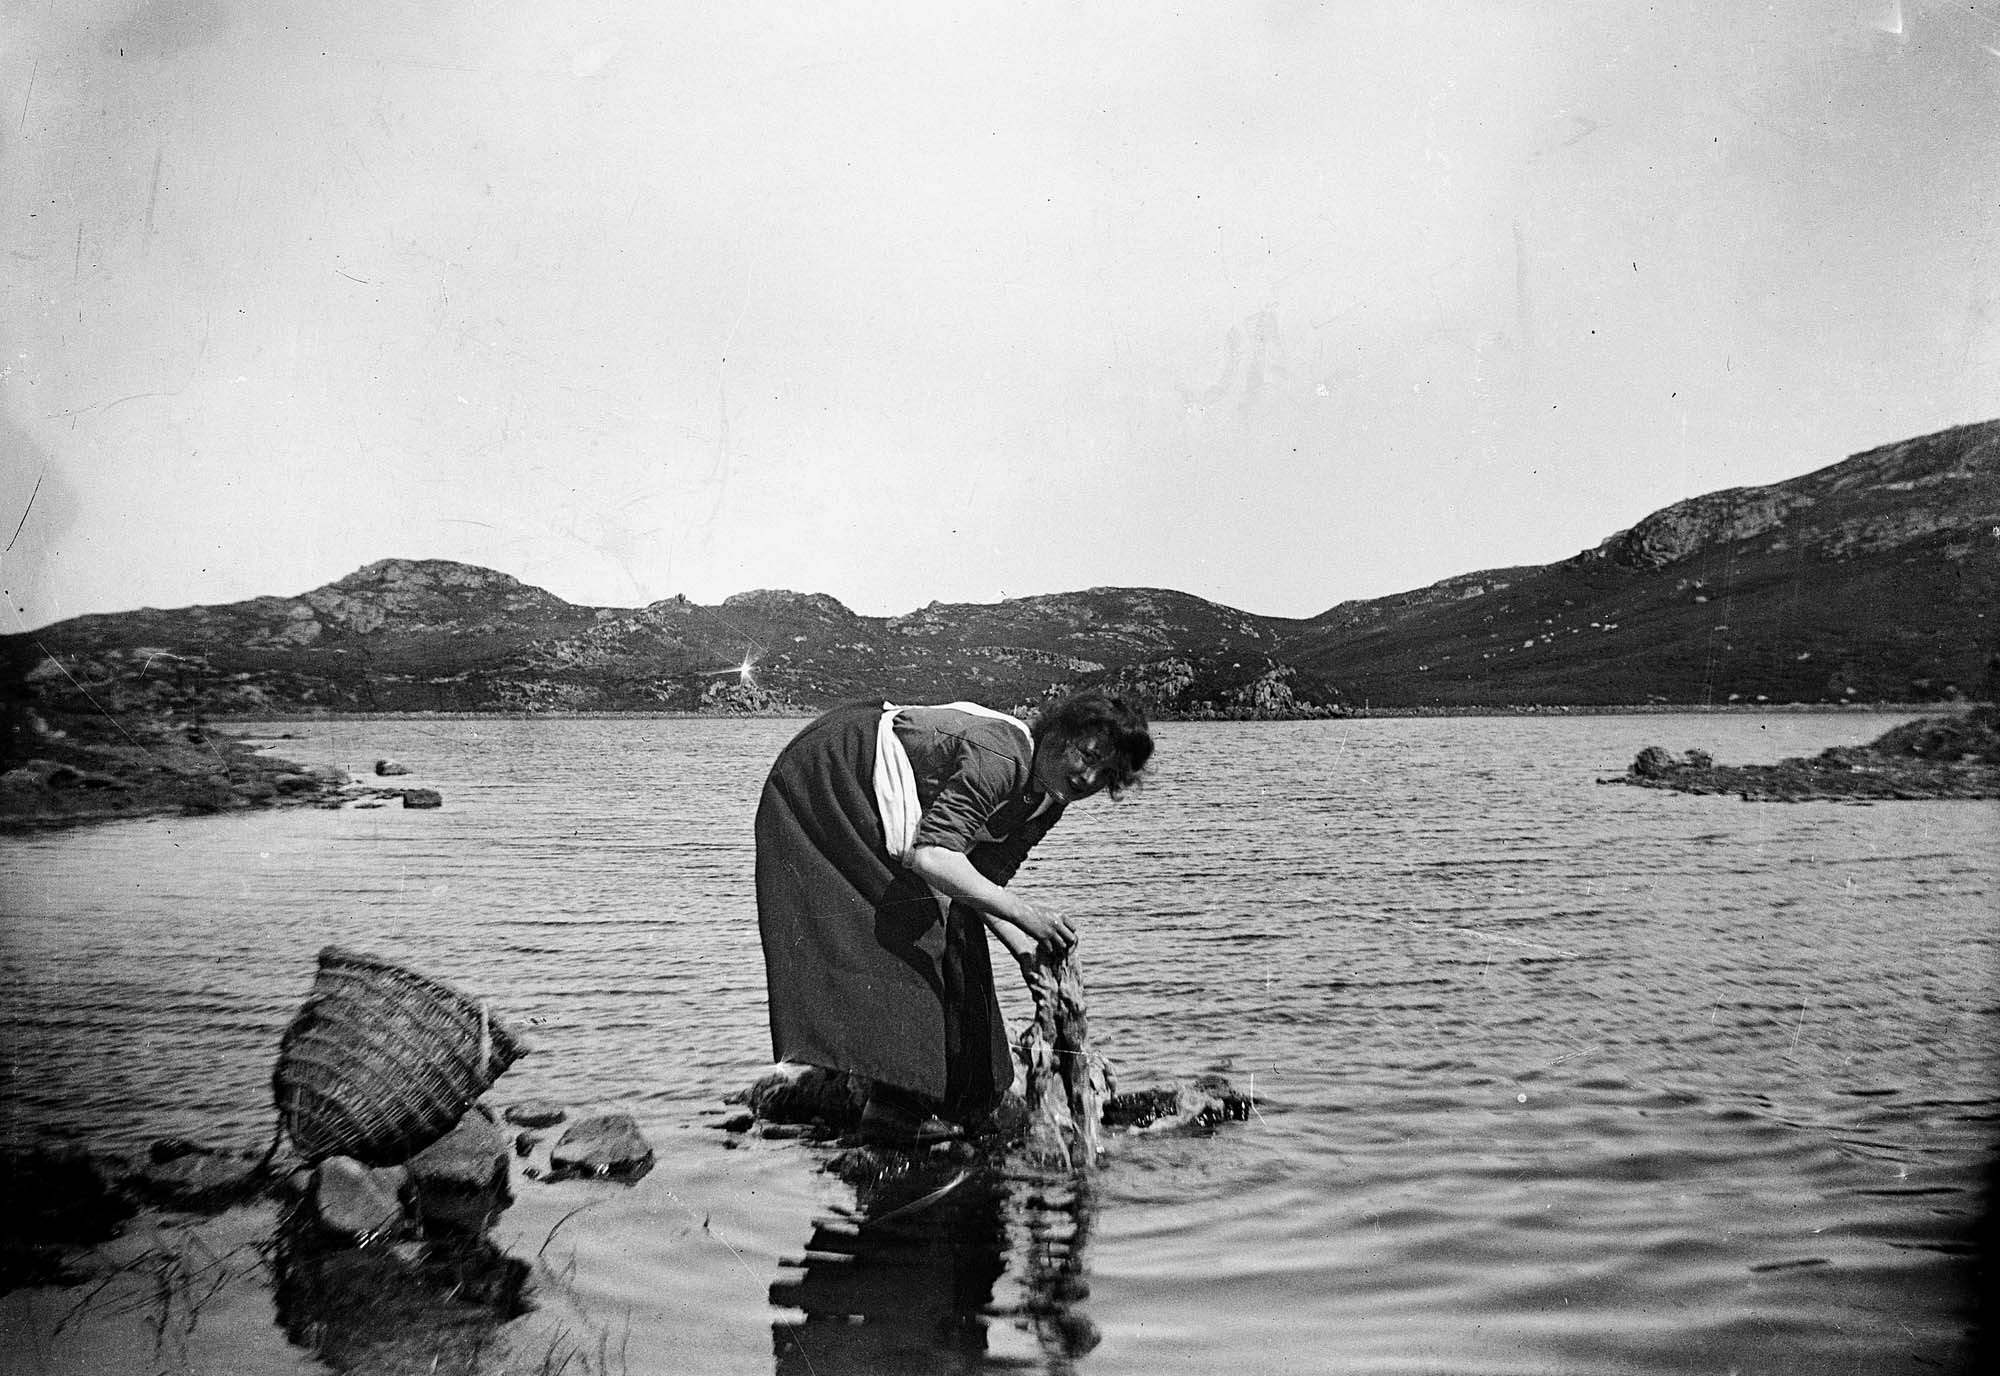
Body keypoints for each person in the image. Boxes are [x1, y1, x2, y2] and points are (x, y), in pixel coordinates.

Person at [754, 690, 1153, 1148]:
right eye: (1087, 756)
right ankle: (892, 1118)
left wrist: (1023, 948)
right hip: (829, 774)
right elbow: (933, 859)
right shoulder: (1000, 757)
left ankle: (963, 1103)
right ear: (1058, 732)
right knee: (910, 934)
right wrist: (1027, 916)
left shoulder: (1050, 799)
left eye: (1106, 775)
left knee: (958, 934)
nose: (1087, 777)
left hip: (883, 805)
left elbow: (977, 883)